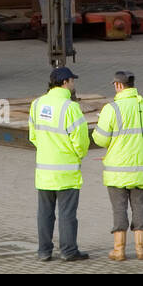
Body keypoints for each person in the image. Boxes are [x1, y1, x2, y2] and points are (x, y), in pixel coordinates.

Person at [90, 70, 143, 261]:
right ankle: (141, 250)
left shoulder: (112, 108)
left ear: (118, 85)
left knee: (119, 209)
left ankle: (119, 251)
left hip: (117, 171)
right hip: (140, 170)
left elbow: (101, 139)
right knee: (140, 207)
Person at [29, 67, 91, 262]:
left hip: (44, 172)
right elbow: (81, 141)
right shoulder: (70, 107)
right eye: (73, 81)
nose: (74, 84)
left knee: (45, 214)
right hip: (66, 173)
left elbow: (33, 136)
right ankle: (68, 251)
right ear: (65, 82)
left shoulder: (37, 104)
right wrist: (77, 156)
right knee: (67, 214)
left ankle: (44, 251)